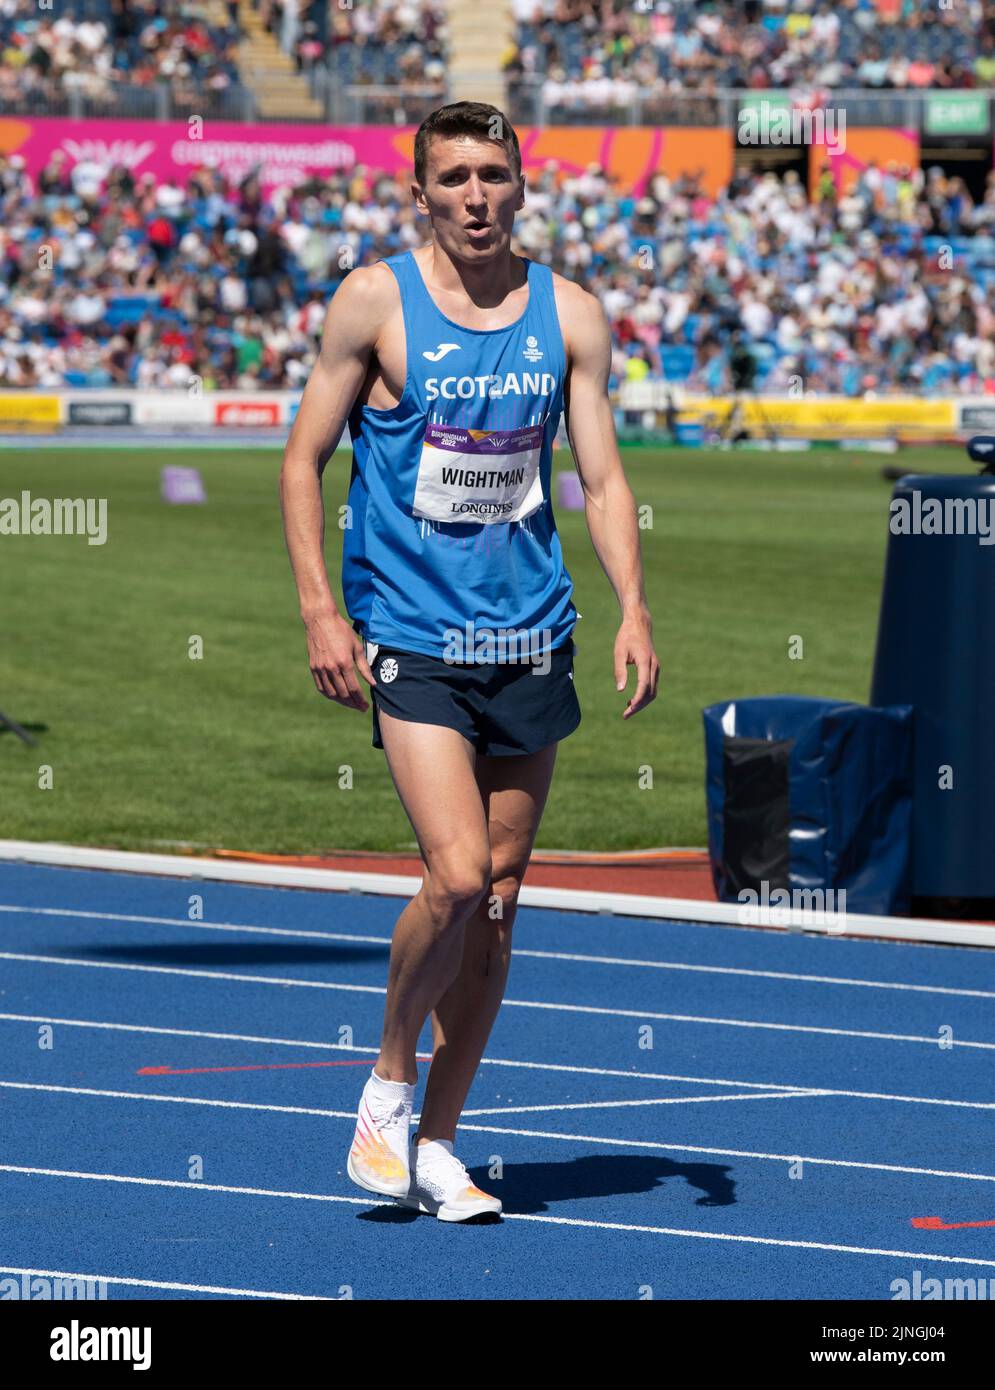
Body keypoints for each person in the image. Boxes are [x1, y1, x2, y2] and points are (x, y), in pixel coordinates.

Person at [279, 101, 659, 1222]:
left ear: (521, 185)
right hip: (411, 633)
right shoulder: (373, 301)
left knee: (494, 903)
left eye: (494, 174)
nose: (477, 196)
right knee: (451, 874)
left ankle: (440, 1142)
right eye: (453, 178)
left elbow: (604, 475)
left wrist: (632, 607)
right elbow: (302, 461)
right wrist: (318, 609)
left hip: (529, 634)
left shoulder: (572, 314)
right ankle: (388, 1082)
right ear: (421, 192)